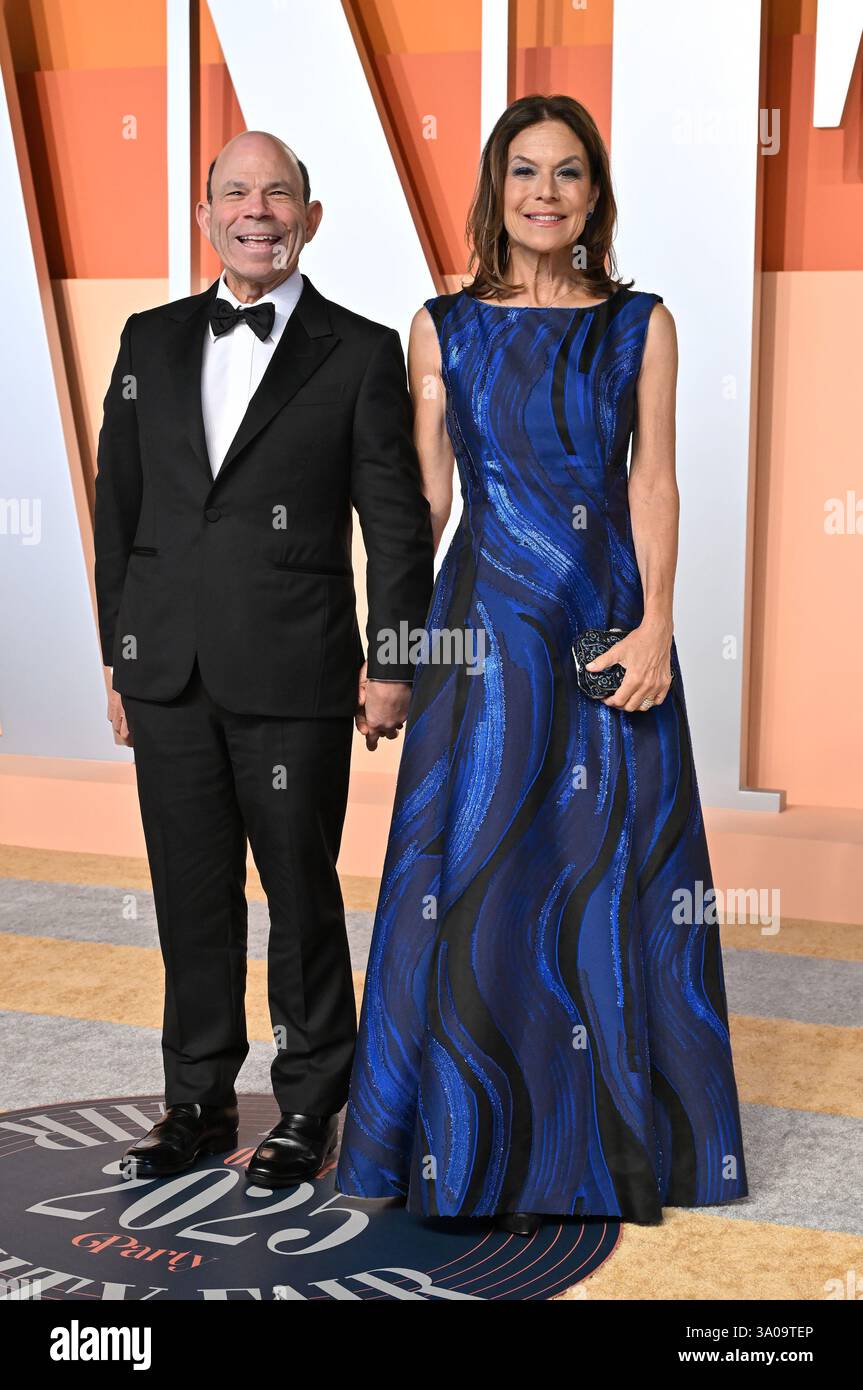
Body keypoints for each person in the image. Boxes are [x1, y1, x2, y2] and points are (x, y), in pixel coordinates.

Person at [335, 94, 749, 1235]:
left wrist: (659, 621)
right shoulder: (440, 327)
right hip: (481, 631)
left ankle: (605, 1149)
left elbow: (651, 482)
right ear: (493, 187)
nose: (545, 194)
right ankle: (465, 1138)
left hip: (600, 624)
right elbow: (424, 499)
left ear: (592, 195)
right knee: (466, 876)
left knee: (602, 870)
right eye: (524, 172)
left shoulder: (640, 324)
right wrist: (399, 647)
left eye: (568, 174)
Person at [94, 130, 433, 1187]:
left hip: (296, 669)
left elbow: (395, 523)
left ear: (310, 216)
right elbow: (121, 512)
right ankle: (194, 1100)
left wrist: (393, 662)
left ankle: (306, 1106)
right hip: (168, 675)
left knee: (299, 892)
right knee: (189, 894)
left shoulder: (360, 349)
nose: (256, 210)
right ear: (205, 218)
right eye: (234, 193)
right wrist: (120, 656)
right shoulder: (146, 340)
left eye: (276, 193)